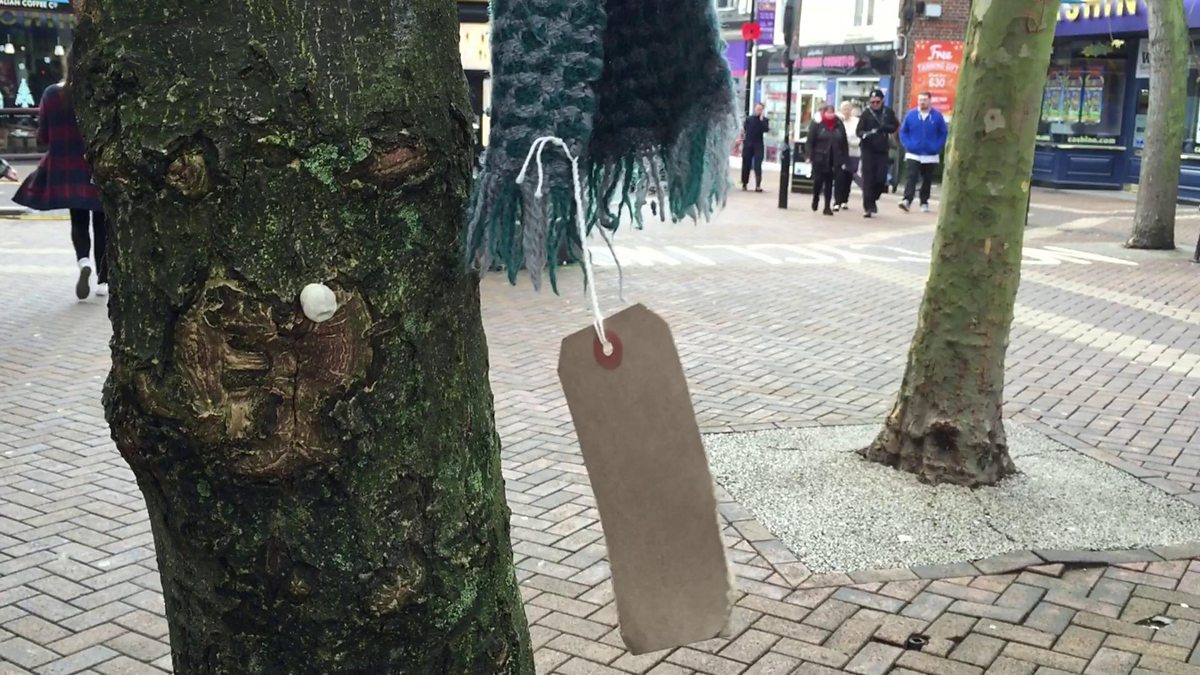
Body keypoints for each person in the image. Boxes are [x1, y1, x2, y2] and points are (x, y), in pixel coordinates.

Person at [14, 53, 107, 300]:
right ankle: (103, 280)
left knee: (78, 219)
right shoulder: (97, 95)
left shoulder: (51, 95)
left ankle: (83, 261)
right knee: (101, 223)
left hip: (66, 166)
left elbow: (43, 135)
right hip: (95, 166)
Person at [898, 91, 949, 213]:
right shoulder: (911, 115)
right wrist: (908, 145)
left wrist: (936, 146)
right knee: (911, 176)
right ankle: (907, 200)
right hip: (913, 153)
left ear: (929, 101)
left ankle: (924, 201)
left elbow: (943, 132)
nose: (922, 102)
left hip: (930, 154)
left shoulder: (936, 116)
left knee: (927, 179)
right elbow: (903, 131)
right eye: (920, 99)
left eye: (925, 100)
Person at [856, 89, 899, 218]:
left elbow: (895, 126)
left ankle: (873, 198)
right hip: (868, 150)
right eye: (872, 102)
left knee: (881, 179)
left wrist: (885, 128)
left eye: (877, 102)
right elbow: (859, 131)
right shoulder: (866, 114)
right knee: (868, 179)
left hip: (882, 150)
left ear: (882, 101)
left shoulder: (888, 112)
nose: (874, 104)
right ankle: (868, 206)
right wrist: (866, 134)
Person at [805, 105, 849, 216]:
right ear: (824, 113)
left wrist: (844, 157)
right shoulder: (817, 123)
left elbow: (844, 141)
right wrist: (809, 155)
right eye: (828, 112)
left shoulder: (839, 124)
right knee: (818, 182)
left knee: (829, 183)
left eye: (832, 112)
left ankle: (827, 206)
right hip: (819, 158)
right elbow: (810, 141)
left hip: (834, 158)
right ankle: (816, 198)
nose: (830, 115)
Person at [834, 101, 860, 212]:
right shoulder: (838, 122)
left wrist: (849, 141)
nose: (846, 111)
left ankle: (844, 200)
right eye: (844, 109)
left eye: (848, 108)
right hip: (840, 154)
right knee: (839, 177)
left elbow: (859, 137)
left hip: (853, 152)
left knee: (848, 177)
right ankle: (837, 201)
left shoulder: (856, 122)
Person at [741, 103, 769, 192]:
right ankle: (744, 183)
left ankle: (758, 185)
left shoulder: (764, 120)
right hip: (748, 144)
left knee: (758, 165)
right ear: (754, 109)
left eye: (760, 109)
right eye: (757, 109)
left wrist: (761, 120)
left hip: (758, 145)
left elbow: (766, 129)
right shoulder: (749, 119)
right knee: (746, 164)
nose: (758, 111)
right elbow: (744, 129)